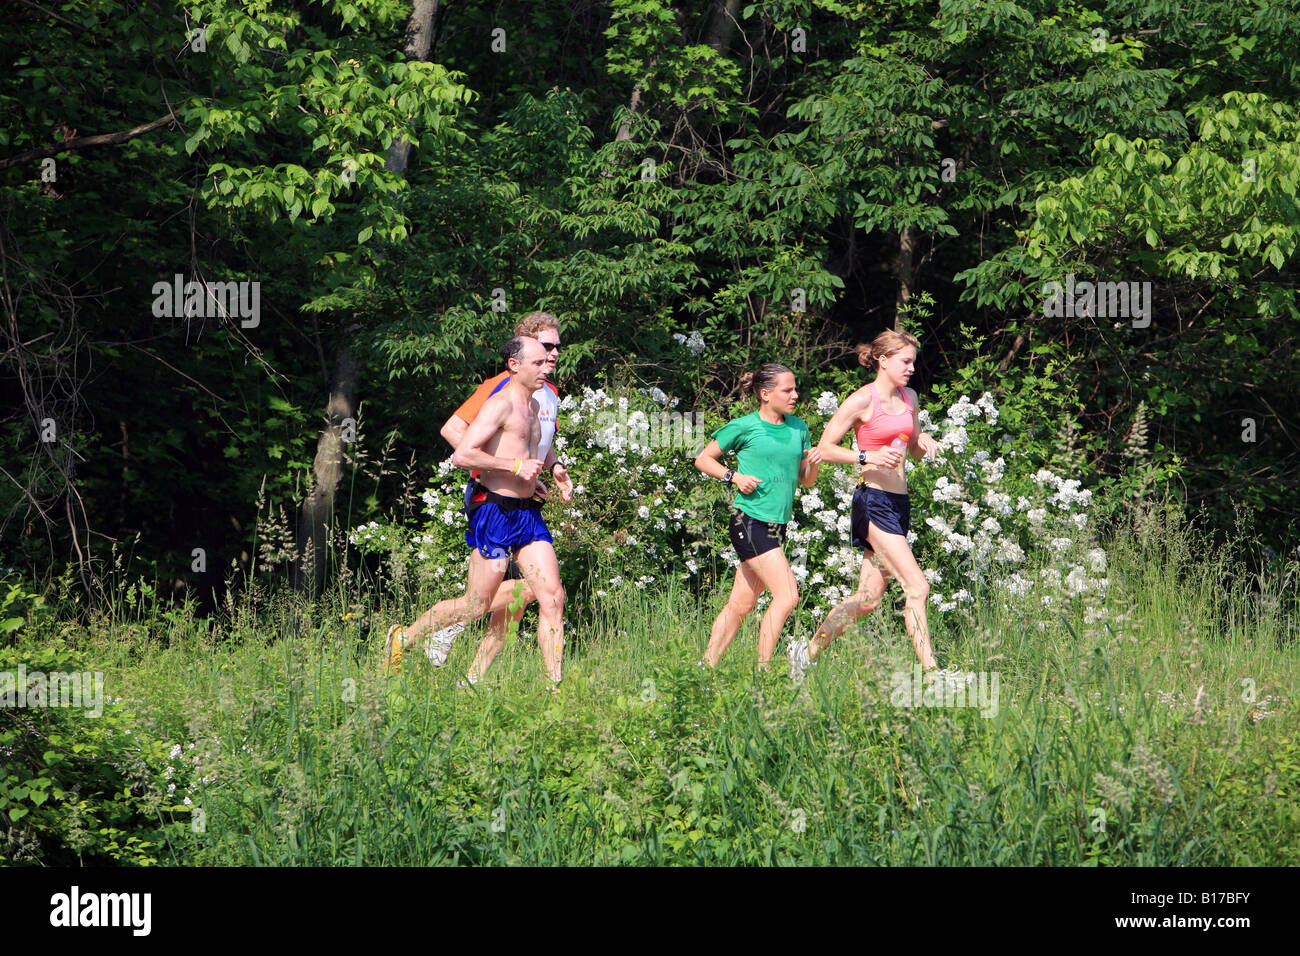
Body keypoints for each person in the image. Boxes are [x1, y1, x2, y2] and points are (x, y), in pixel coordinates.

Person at [384, 337, 569, 686]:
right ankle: (404, 638)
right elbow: (463, 455)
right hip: (494, 512)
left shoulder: (537, 406)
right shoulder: (499, 403)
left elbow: (533, 451)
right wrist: (514, 467)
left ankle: (553, 689)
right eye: (537, 363)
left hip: (528, 512)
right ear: (515, 366)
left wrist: (544, 473)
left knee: (552, 596)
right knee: (475, 603)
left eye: (548, 362)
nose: (546, 368)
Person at [787, 331, 966, 684]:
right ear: (882, 361)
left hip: (899, 503)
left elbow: (910, 448)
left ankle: (805, 654)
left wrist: (923, 440)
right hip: (873, 503)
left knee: (867, 600)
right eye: (905, 361)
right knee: (917, 587)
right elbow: (824, 448)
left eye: (914, 361)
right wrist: (866, 455)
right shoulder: (861, 401)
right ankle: (934, 676)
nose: (912, 368)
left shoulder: (909, 396)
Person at [694, 364, 821, 668]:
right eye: (787, 390)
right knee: (788, 596)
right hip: (749, 521)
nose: (795, 395)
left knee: (741, 604)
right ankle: (763, 671)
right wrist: (733, 476)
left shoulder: (798, 428)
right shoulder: (744, 426)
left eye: (795, 389)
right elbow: (703, 459)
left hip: (779, 525)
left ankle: (706, 666)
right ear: (765, 394)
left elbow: (806, 480)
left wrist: (814, 462)